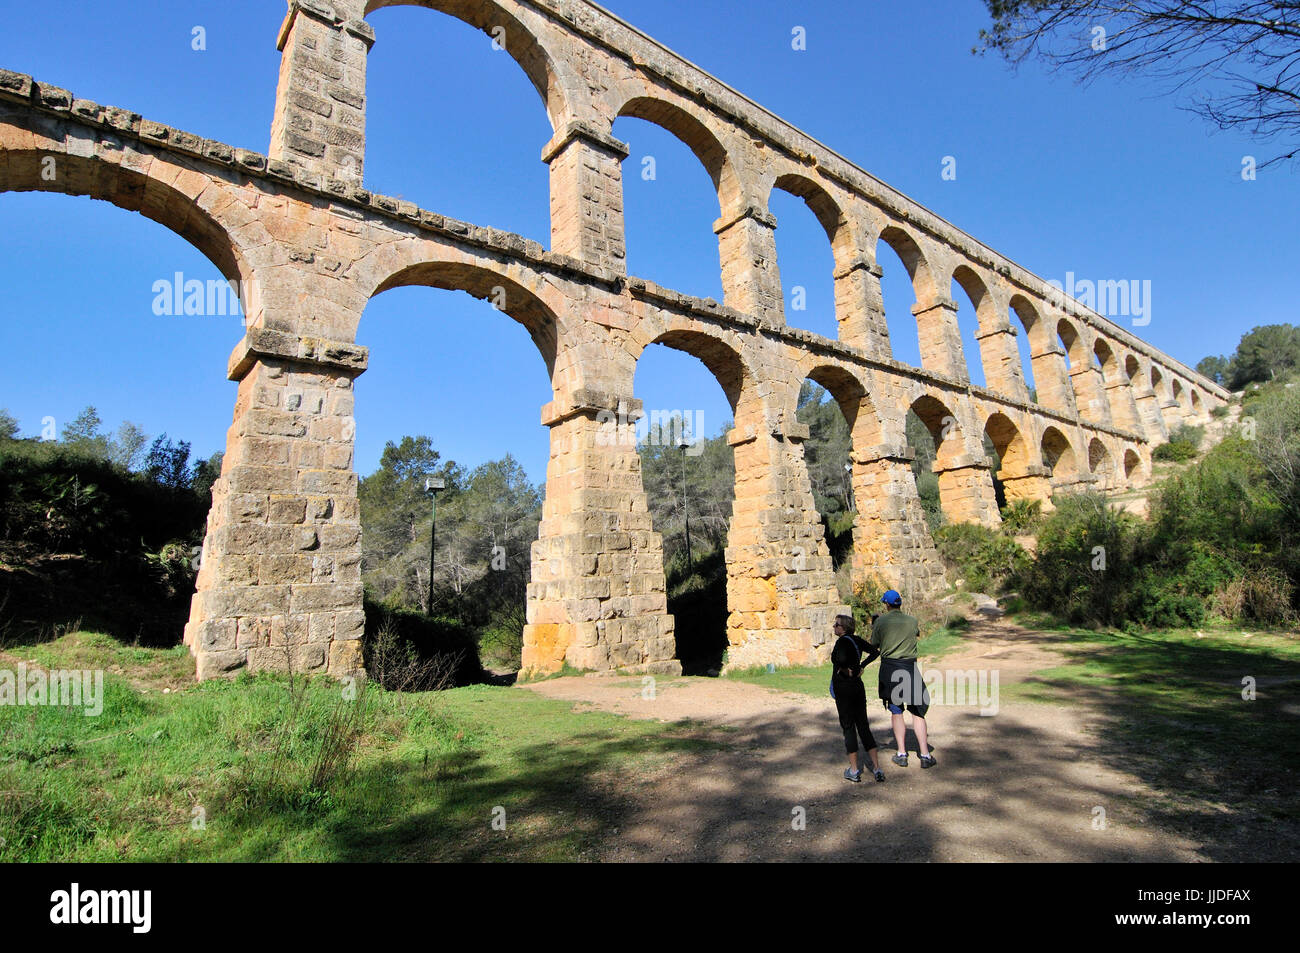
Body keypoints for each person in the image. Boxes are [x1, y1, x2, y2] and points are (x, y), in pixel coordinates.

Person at [869, 590, 937, 769]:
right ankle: (924, 754)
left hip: (890, 668)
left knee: (896, 710)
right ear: (900, 603)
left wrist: (875, 625)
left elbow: (874, 643)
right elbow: (914, 634)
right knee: (917, 711)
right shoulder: (912, 621)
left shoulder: (881, 621)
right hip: (909, 667)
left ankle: (901, 753)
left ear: (887, 604)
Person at [830, 613, 885, 783]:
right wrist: (862, 666)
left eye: (836, 624)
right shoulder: (857, 640)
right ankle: (877, 768)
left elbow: (839, 659)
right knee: (863, 725)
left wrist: (845, 670)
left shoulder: (841, 642)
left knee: (848, 727)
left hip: (844, 688)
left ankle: (854, 770)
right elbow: (875, 652)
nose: (834, 627)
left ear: (844, 627)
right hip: (857, 687)